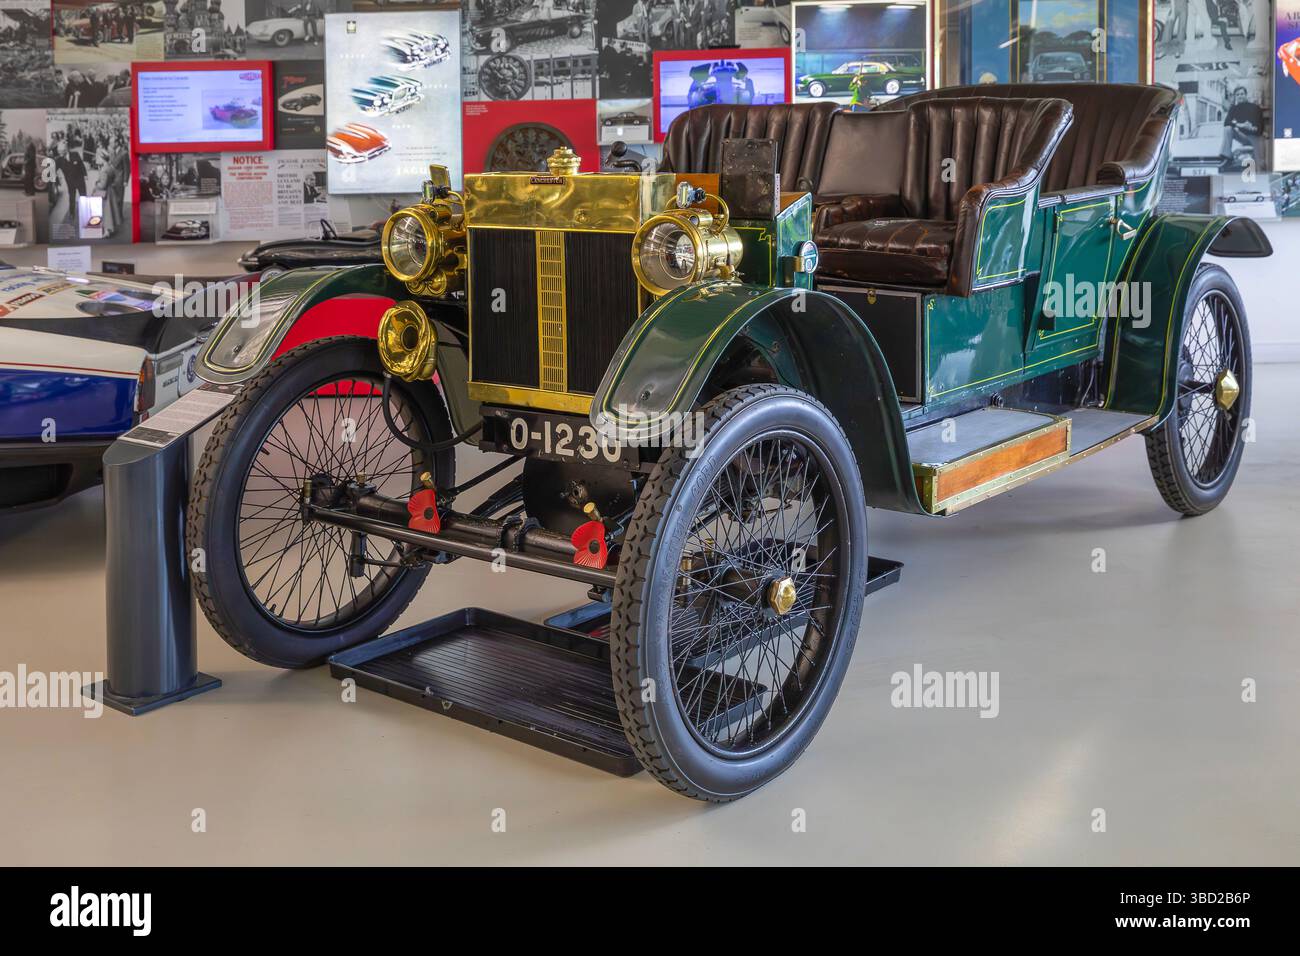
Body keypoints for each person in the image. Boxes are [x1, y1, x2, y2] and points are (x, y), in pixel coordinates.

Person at [1220, 86, 1263, 167]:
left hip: (1254, 136)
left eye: (1242, 94)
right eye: (1237, 94)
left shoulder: (1255, 107)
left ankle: (1259, 162)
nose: (1240, 96)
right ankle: (1226, 157)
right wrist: (1240, 125)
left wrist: (1252, 128)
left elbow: (1260, 127)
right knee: (1227, 129)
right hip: (1242, 136)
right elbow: (1226, 123)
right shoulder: (1233, 108)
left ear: (1246, 95)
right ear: (1235, 97)